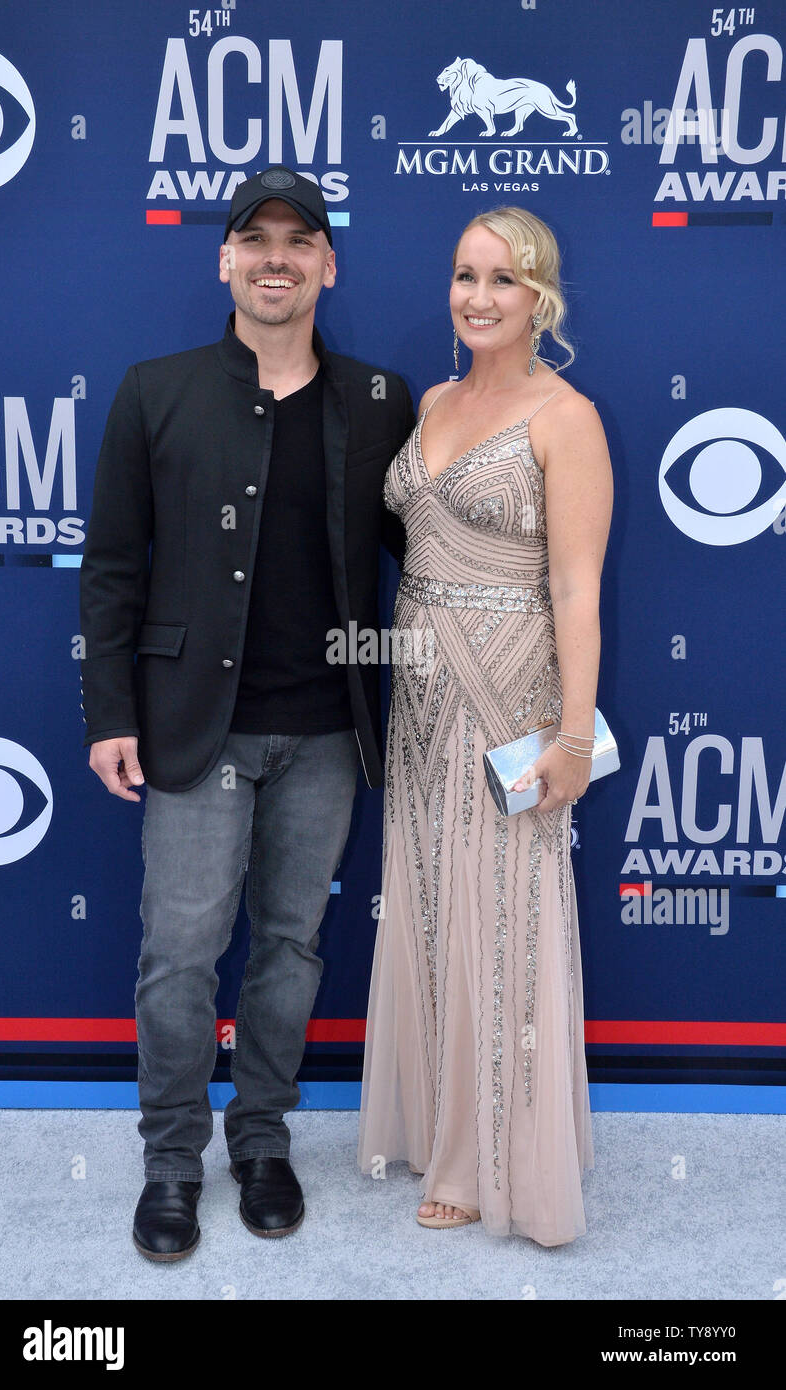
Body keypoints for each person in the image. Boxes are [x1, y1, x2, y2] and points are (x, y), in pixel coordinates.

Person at [79, 166, 414, 1261]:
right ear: (225, 259)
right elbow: (113, 571)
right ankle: (172, 1160)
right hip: (193, 726)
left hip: (326, 727)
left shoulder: (379, 403)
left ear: (328, 264)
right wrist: (109, 709)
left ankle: (260, 1139)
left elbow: (430, 558)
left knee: (291, 946)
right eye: (255, 237)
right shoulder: (154, 390)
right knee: (178, 952)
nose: (276, 256)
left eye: (298, 239)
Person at [357, 206, 613, 1245]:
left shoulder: (568, 417)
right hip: (417, 687)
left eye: (502, 280)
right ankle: (445, 1123)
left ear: (538, 297)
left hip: (511, 695)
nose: (476, 297)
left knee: (504, 909)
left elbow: (579, 588)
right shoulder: (432, 400)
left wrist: (573, 738)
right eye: (464, 275)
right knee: (428, 900)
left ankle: (495, 1155)